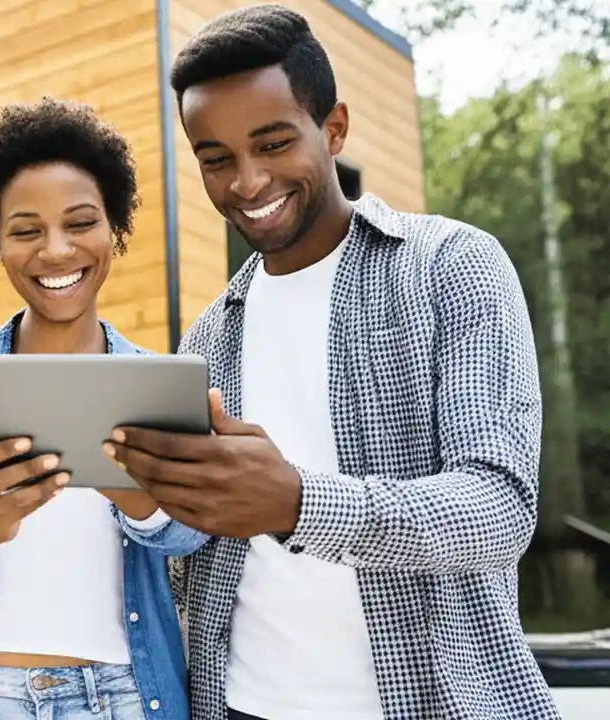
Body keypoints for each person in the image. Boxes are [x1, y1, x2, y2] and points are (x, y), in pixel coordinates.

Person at [101, 5, 561, 720]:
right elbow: (195, 555)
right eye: (215, 159)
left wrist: (297, 502)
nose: (247, 182)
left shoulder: (452, 267)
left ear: (334, 127)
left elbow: (499, 509)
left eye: (273, 143)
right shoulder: (205, 340)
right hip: (239, 706)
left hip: (430, 705)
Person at [0, 97, 208, 720]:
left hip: (127, 695)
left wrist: (138, 494)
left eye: (81, 222)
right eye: (26, 230)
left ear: (114, 225)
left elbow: (188, 537)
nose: (56, 251)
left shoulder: (159, 383)